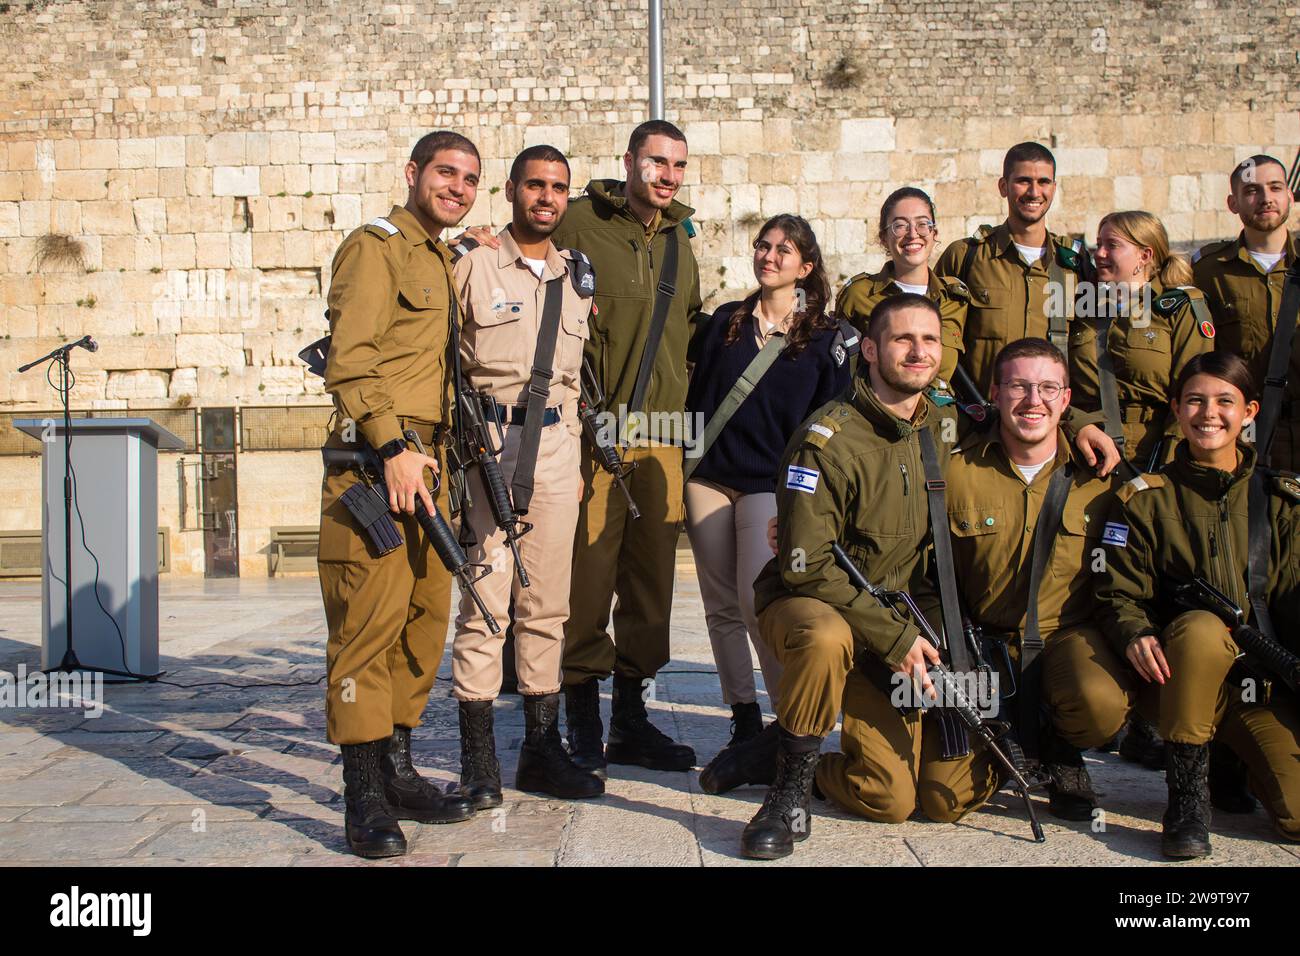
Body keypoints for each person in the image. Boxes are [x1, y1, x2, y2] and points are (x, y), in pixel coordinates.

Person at [741, 293, 996, 860]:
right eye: (903, 339)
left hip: (898, 615)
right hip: (813, 605)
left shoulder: (945, 424)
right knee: (826, 635)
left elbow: (1029, 416)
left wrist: (1078, 423)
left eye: (929, 340)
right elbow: (805, 565)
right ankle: (787, 793)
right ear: (873, 349)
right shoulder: (828, 438)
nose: (918, 351)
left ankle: (784, 753)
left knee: (891, 799)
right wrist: (895, 638)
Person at [317, 130, 479, 858]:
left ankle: (399, 767)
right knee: (367, 629)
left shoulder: (440, 258)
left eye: (471, 178)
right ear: (413, 173)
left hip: (431, 463)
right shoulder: (374, 247)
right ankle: (364, 796)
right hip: (378, 463)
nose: (457, 187)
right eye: (446, 173)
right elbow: (350, 363)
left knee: (422, 622)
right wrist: (391, 447)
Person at [1096, 352, 1300, 857]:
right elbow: (1116, 591)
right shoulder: (1145, 498)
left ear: (1249, 411)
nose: (1209, 413)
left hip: (1258, 685)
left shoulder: (1280, 500)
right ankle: (1186, 797)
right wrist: (1135, 632)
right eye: (1195, 401)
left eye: (1224, 401)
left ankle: (1231, 759)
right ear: (1176, 409)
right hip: (1174, 679)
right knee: (1204, 628)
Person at [450, 145, 603, 807]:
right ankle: (480, 763)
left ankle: (542, 751)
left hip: (557, 449)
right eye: (534, 185)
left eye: (558, 187)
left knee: (547, 605)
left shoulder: (578, 276)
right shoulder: (470, 265)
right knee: (486, 602)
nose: (546, 196)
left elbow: (574, 381)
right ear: (510, 190)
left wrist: (574, 465)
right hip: (488, 444)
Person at [550, 120, 703, 775]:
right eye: (656, 162)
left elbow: (689, 338)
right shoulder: (579, 223)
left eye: (677, 166)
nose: (667, 175)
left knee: (651, 590)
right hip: (594, 436)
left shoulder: (680, 243)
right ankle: (581, 714)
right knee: (586, 581)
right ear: (630, 162)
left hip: (662, 439)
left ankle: (633, 720)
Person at [683, 214, 852, 790]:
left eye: (784, 250)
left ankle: (788, 725)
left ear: (806, 267)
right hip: (709, 476)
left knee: (761, 606)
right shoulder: (726, 323)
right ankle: (742, 717)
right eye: (763, 245)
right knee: (719, 606)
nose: (770, 255)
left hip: (769, 486)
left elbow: (833, 421)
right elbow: (698, 394)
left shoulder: (829, 339)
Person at [945, 338, 1131, 822]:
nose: (1034, 401)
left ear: (1067, 400)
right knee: (939, 798)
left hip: (1064, 639)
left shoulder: (1101, 478)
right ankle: (1002, 747)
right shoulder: (955, 471)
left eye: (1049, 388)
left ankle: (1061, 746)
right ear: (995, 393)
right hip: (982, 644)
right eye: (1019, 387)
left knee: (1100, 705)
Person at [935, 142, 1094, 397]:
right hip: (981, 424)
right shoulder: (966, 257)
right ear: (1003, 186)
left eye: (1044, 182)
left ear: (1054, 188)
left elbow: (1090, 352)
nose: (1034, 192)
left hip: (1049, 420)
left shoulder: (1074, 266)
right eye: (1023, 181)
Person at [1068, 210, 1214, 470]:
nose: (1099, 253)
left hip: (1152, 454)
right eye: (1098, 244)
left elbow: (1194, 393)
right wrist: (1077, 425)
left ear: (1144, 256)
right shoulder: (1082, 308)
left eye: (1111, 245)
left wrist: (1169, 467)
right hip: (1085, 452)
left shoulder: (1179, 309)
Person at [1193, 154, 1300, 472]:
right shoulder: (1208, 271)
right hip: (1243, 435)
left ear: (1289, 196)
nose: (1266, 198)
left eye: (1275, 187)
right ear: (1233, 202)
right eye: (1252, 190)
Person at [835, 186, 969, 384]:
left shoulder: (956, 300)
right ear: (884, 238)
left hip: (939, 414)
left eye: (923, 224)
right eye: (900, 226)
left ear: (934, 234)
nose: (913, 234)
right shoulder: (858, 295)